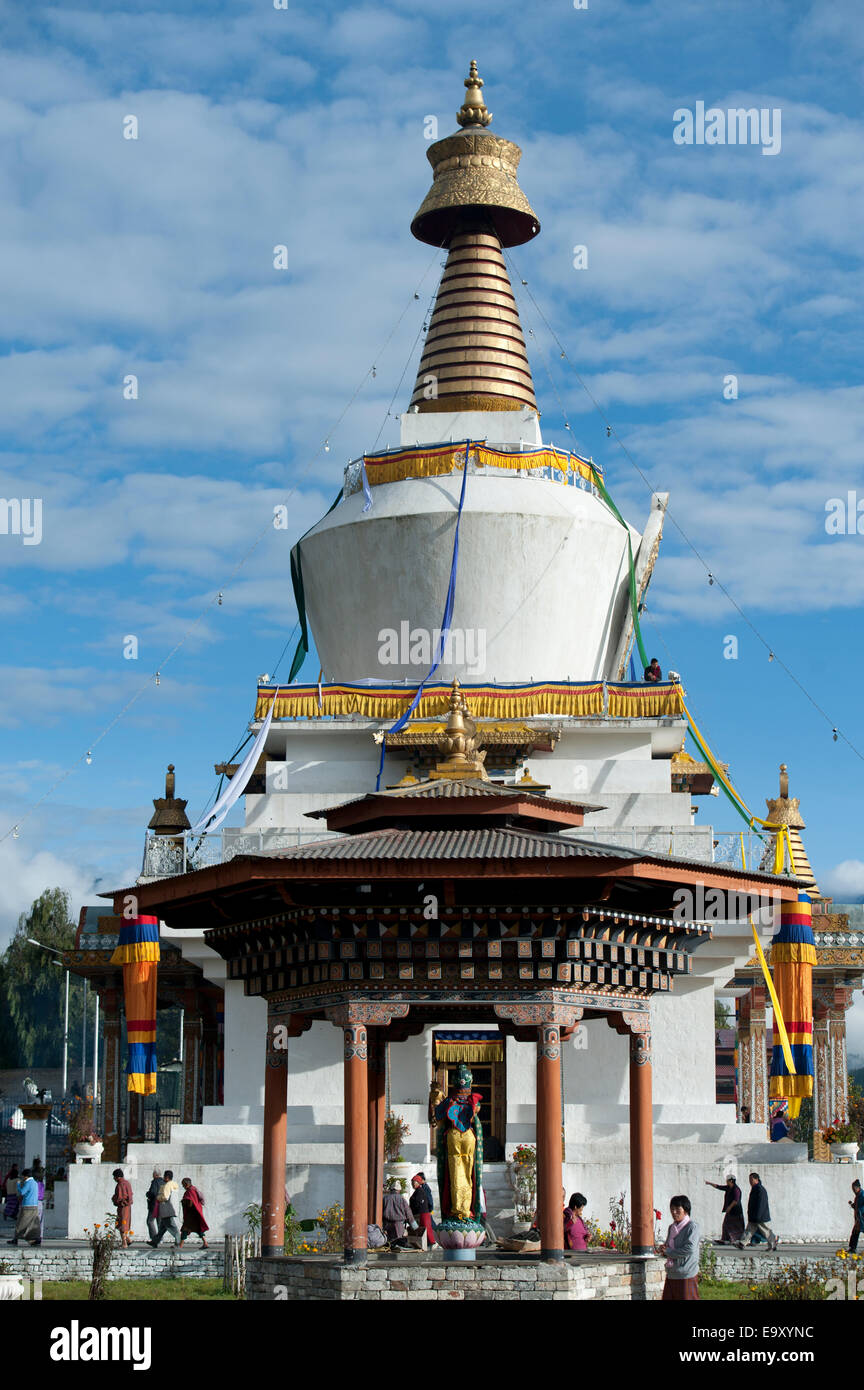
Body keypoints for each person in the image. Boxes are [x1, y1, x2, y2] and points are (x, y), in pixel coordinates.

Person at [434, 1063, 484, 1222]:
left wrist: (436, 1099)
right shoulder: (473, 1103)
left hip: (454, 1137)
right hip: (468, 1136)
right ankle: (466, 1210)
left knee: (456, 1175)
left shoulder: (450, 1101)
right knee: (468, 1174)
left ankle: (458, 1209)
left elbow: (437, 1117)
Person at [658, 1195, 700, 1300]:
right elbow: (669, 1245)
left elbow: (689, 1249)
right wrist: (664, 1249)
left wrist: (669, 1251)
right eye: (672, 1209)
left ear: (685, 1210)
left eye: (677, 1209)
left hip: (686, 1272)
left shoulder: (692, 1227)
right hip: (672, 1272)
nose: (674, 1212)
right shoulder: (672, 1227)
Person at [736, 1173, 778, 1250]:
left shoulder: (760, 1190)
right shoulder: (755, 1189)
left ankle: (773, 1243)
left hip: (759, 1216)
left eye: (751, 1180)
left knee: (765, 1231)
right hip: (754, 1215)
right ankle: (742, 1243)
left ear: (756, 1179)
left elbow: (761, 1204)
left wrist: (758, 1215)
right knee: (749, 1230)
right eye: (749, 1180)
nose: (750, 1182)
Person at [705, 1175, 744, 1245]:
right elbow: (719, 1187)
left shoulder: (736, 1189)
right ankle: (726, 1239)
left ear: (731, 1181)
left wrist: (729, 1207)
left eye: (727, 1180)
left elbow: (736, 1200)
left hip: (736, 1211)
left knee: (736, 1227)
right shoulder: (729, 1188)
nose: (726, 1182)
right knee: (726, 1225)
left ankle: (736, 1239)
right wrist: (709, 1183)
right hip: (730, 1211)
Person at [7, 1168, 41, 1246]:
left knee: (21, 1222)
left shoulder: (28, 1183)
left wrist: (18, 1185)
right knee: (33, 1223)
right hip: (34, 1206)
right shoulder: (35, 1182)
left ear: (25, 1176)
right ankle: (35, 1238)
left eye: (23, 1176)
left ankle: (16, 1238)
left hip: (27, 1206)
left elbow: (22, 1192)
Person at [148, 1169, 180, 1247]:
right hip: (172, 1208)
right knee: (162, 1227)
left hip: (166, 1209)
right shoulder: (175, 1184)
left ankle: (178, 1242)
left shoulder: (167, 1185)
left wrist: (158, 1197)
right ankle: (155, 1241)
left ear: (167, 1177)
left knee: (172, 1226)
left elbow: (165, 1197)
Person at [382, 1180, 414, 1248]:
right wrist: (414, 1226)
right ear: (399, 1190)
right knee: (398, 1244)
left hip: (387, 1225)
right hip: (398, 1225)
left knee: (390, 1245)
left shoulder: (385, 1198)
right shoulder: (401, 1199)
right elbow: (408, 1213)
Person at [179, 1177, 209, 1248]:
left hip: (191, 1214)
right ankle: (205, 1243)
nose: (183, 1186)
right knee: (198, 1229)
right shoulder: (194, 1189)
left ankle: (180, 1246)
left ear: (186, 1184)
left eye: (183, 1185)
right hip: (196, 1213)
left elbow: (190, 1203)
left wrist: (183, 1201)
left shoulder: (190, 1191)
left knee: (184, 1229)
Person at [409, 1173, 435, 1246]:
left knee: (425, 1229)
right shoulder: (418, 1191)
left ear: (418, 1183)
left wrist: (430, 1209)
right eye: (412, 1183)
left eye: (414, 1182)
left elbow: (419, 1202)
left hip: (423, 1214)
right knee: (424, 1230)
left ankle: (431, 1243)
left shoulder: (420, 1191)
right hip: (421, 1214)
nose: (412, 1184)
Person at [111, 1168, 133, 1247]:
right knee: (125, 1223)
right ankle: (128, 1240)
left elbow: (120, 1198)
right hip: (128, 1207)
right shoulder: (127, 1183)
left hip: (122, 1207)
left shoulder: (120, 1185)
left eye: (114, 1177)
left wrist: (114, 1199)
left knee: (122, 1224)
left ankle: (124, 1243)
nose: (114, 1179)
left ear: (117, 1177)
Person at [145, 1169, 162, 1242]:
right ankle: (160, 1238)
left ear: (155, 1175)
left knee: (150, 1221)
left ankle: (154, 1238)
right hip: (162, 1204)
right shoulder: (163, 1182)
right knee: (159, 1222)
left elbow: (153, 1192)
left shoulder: (155, 1182)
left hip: (154, 1204)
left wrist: (147, 1194)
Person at [849, 1179, 864, 1253]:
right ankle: (852, 1248)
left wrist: (861, 1211)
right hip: (858, 1218)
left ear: (858, 1187)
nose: (853, 1190)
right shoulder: (857, 1196)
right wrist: (853, 1205)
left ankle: (852, 1248)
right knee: (855, 1232)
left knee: (855, 1232)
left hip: (862, 1218)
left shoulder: (862, 1195)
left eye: (853, 1188)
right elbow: (857, 1206)